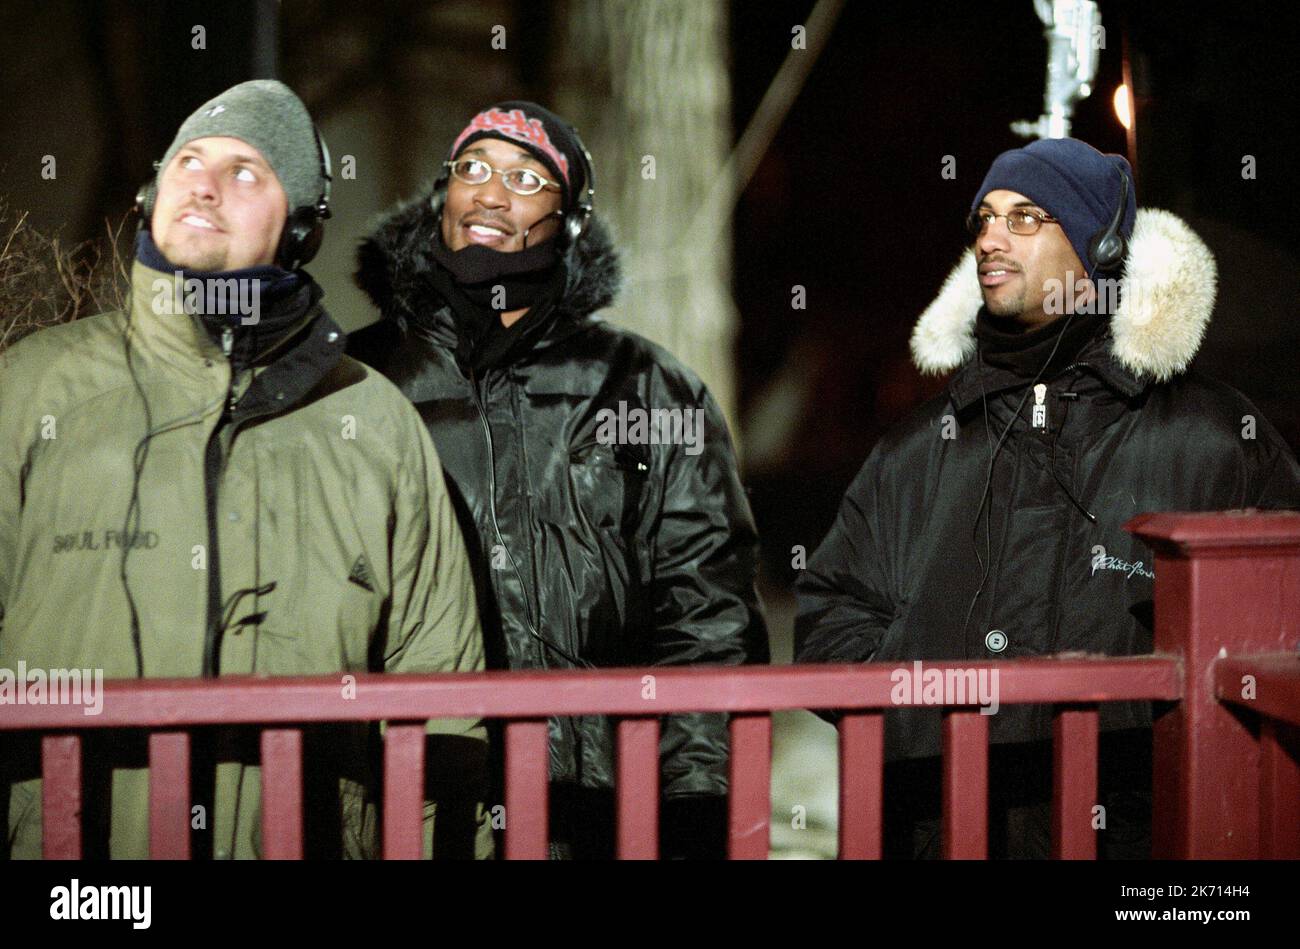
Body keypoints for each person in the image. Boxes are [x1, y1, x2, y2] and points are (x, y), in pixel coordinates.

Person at [0, 80, 491, 859]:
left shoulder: (374, 422)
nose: (202, 181)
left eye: (246, 172)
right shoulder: (31, 389)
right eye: (188, 160)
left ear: (299, 231)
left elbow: (443, 702)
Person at [794, 137, 1300, 858]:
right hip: (947, 835)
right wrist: (920, 708)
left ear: (1099, 244)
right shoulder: (917, 446)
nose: (991, 239)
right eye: (984, 219)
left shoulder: (1215, 440)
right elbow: (828, 616)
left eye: (1027, 217)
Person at [348, 101, 769, 858]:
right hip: (411, 808)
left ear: (569, 219)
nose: (490, 193)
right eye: (472, 169)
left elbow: (708, 617)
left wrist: (697, 812)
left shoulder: (648, 388)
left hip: (598, 816)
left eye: (525, 177)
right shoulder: (357, 380)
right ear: (442, 195)